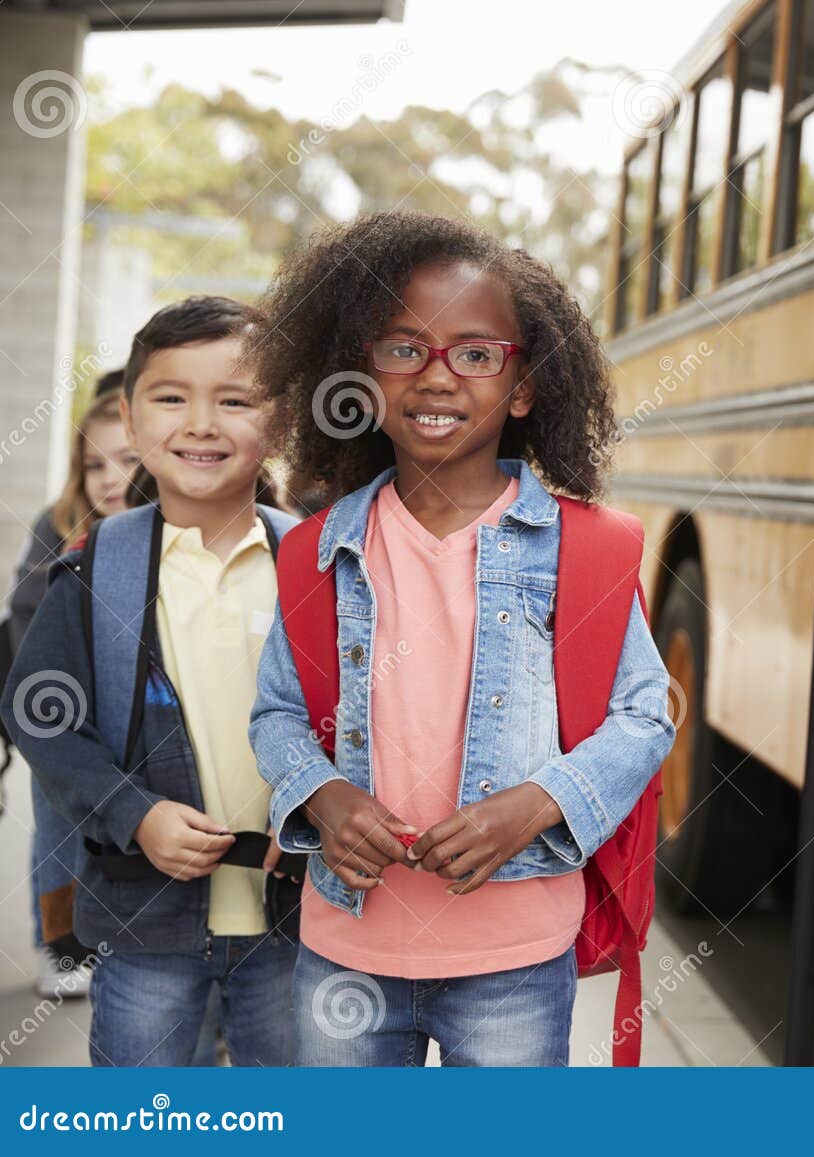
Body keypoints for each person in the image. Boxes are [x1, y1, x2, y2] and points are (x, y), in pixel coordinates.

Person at [247, 210, 675, 1066]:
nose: (437, 377)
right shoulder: (318, 549)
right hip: (349, 949)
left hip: (513, 956)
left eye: (475, 354)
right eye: (404, 348)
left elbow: (645, 713)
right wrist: (323, 797)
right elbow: (276, 713)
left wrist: (540, 803)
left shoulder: (581, 549)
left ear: (523, 387)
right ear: (363, 375)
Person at [1, 297, 300, 1066]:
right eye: (171, 398)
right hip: (145, 928)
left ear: (282, 423)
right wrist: (132, 812)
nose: (201, 423)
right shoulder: (95, 569)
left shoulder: (318, 567)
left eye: (234, 400)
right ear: (131, 424)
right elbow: (39, 717)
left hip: (298, 930)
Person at [6, 378, 139, 998]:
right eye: (95, 464)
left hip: (143, 722)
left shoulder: (166, 535)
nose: (110, 478)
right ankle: (62, 945)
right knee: (60, 827)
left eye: (128, 461)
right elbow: (29, 620)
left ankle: (127, 940)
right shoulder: (59, 527)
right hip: (65, 715)